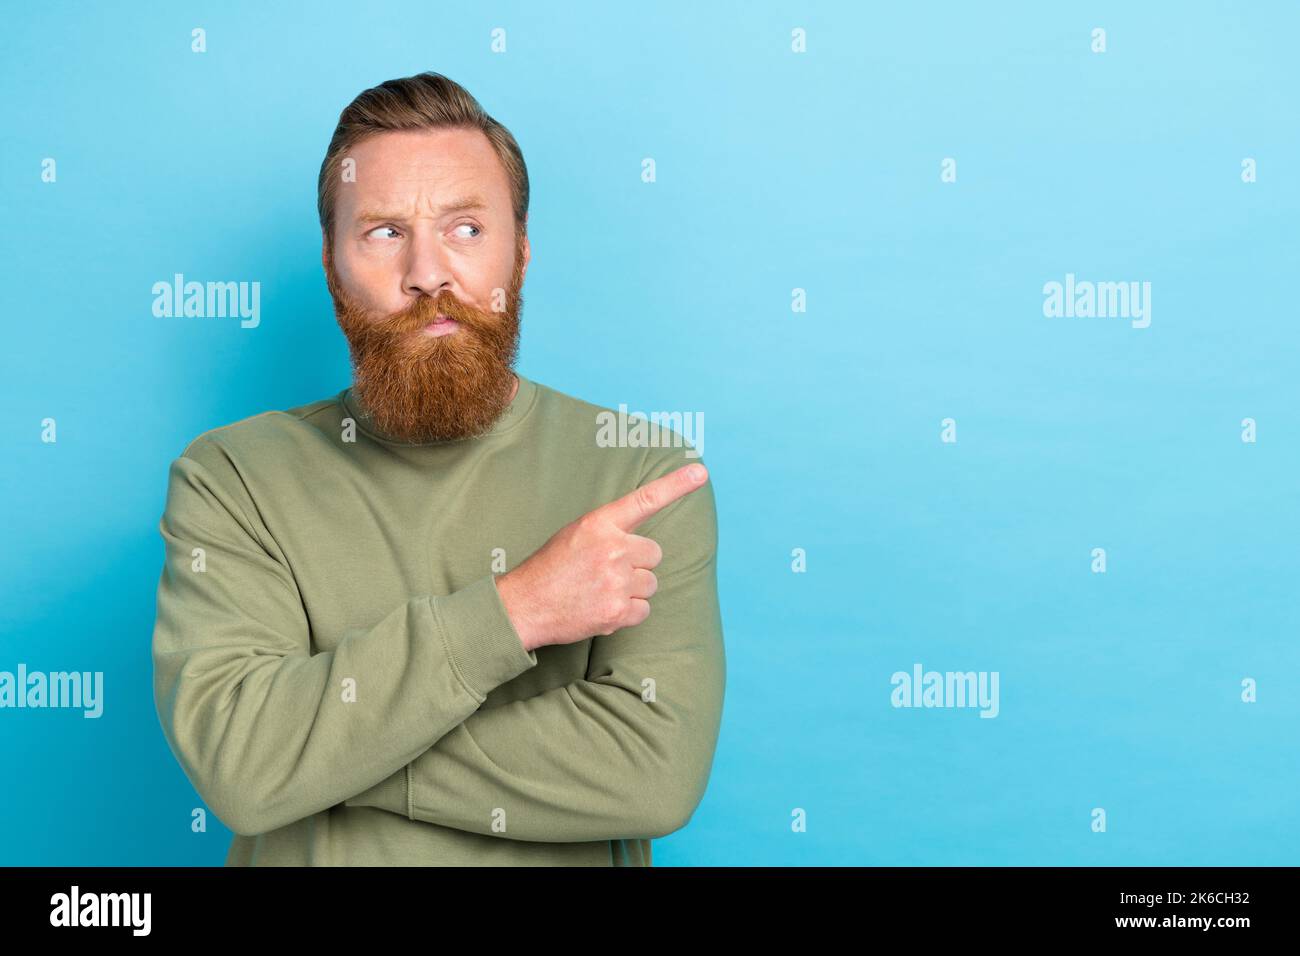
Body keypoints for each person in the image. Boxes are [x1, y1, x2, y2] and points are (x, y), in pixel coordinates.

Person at [150, 71, 725, 866]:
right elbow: (240, 766)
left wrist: (323, 756)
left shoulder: (641, 476)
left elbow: (657, 775)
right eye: (384, 232)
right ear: (330, 265)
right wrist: (518, 609)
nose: (428, 272)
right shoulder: (231, 478)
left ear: (519, 254)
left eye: (466, 229)